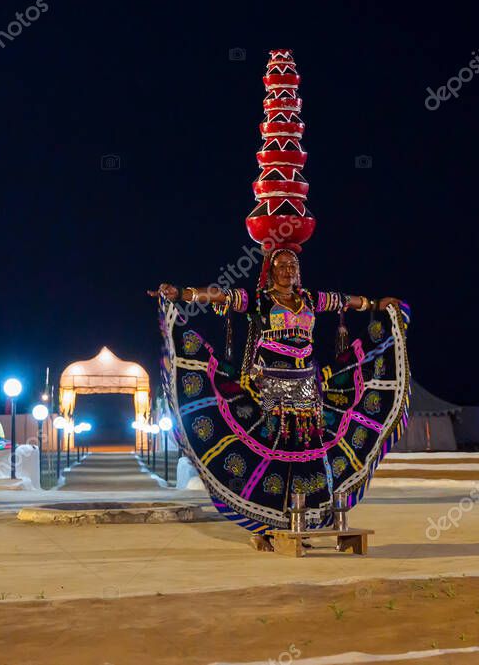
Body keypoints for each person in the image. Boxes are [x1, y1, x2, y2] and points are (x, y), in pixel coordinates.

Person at [148, 49, 410, 551]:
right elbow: (218, 296)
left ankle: (308, 521)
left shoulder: (310, 298)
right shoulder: (258, 299)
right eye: (282, 265)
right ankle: (268, 526)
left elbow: (348, 303)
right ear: (270, 268)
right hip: (268, 386)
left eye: (294, 265)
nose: (289, 270)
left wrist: (379, 305)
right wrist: (181, 294)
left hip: (308, 387)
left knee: (312, 458)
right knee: (266, 458)